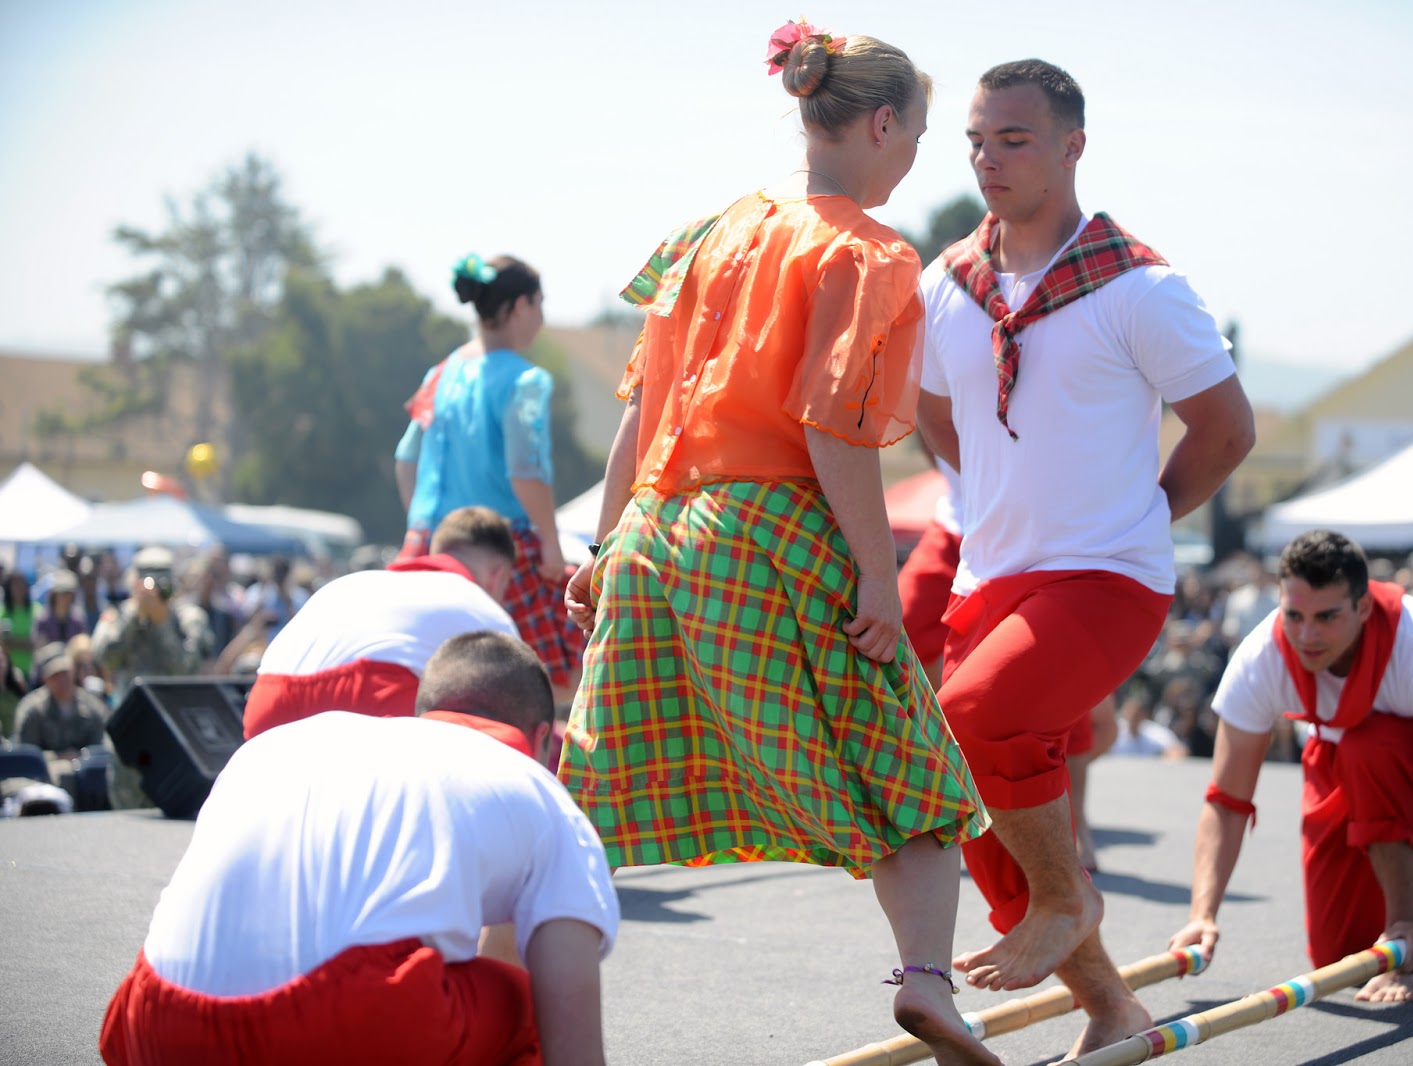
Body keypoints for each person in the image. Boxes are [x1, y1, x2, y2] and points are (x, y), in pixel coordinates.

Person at [561, 22, 994, 1065]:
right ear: (881, 124)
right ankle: (928, 982)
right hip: (766, 534)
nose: (915, 153)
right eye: (918, 132)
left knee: (587, 803)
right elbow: (832, 428)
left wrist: (604, 546)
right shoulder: (865, 252)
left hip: (656, 538)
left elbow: (641, 410)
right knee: (916, 779)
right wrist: (879, 575)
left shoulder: (713, 231)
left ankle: (499, 980)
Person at [914, 58, 1254, 1053]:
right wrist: (996, 488)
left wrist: (1143, 514)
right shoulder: (947, 283)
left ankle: (1069, 898)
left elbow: (1226, 429)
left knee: (974, 716)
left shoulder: (1141, 286)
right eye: (975, 140)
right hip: (989, 575)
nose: (987, 159)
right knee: (972, 806)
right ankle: (1112, 1004)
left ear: (1073, 147)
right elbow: (931, 411)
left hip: (1109, 575)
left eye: (1012, 139)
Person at [100, 630, 618, 1066]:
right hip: (343, 1020)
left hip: (150, 1018)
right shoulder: (541, 793)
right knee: (531, 1006)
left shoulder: (283, 743)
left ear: (422, 711)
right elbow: (573, 1045)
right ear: (542, 738)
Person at [1170, 530, 1413, 1003]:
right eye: (1294, 615)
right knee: (1340, 955)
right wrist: (1202, 914)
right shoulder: (1261, 657)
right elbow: (1226, 800)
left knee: (1372, 746)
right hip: (1339, 747)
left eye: (1327, 616)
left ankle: (1408, 928)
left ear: (1363, 608)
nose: (1307, 636)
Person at [898, 459, 1114, 869]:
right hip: (959, 526)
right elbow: (933, 429)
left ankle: (1076, 825)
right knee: (891, 641)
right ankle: (921, 800)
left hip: (1038, 535)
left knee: (1057, 678)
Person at [395, 252, 585, 701]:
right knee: (568, 658)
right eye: (539, 304)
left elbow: (406, 460)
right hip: (502, 549)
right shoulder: (526, 380)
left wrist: (426, 528)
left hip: (427, 547)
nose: (541, 318)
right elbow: (526, 472)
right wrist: (550, 543)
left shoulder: (439, 375)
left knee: (431, 675)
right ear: (520, 306)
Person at [242, 505, 520, 739]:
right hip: (374, 698)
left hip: (269, 702)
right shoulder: (484, 610)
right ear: (498, 575)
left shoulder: (345, 585)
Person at [91, 547, 214, 702]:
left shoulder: (190, 618)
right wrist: (133, 617)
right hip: (133, 707)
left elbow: (185, 672)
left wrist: (162, 622)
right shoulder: (118, 615)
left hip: (175, 705)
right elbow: (106, 661)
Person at [11, 651, 108, 784]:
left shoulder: (91, 705)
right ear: (45, 678)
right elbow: (25, 754)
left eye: (65, 673)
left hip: (88, 773)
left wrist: (84, 756)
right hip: (45, 777)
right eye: (56, 675)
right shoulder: (32, 709)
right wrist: (59, 757)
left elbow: (102, 745)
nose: (62, 680)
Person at [32, 570, 88, 649]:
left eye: (68, 594)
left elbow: (82, 645)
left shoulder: (78, 620)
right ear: (54, 596)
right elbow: (39, 647)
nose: (65, 598)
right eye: (62, 594)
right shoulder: (43, 620)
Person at [3, 569, 36, 680]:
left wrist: (13, 642)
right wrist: (25, 643)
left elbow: (38, 643)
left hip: (32, 672)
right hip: (6, 674)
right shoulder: (2, 613)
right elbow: (3, 646)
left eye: (22, 584)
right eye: (15, 584)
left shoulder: (37, 611)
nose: (19, 588)